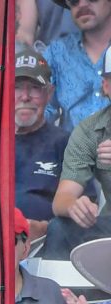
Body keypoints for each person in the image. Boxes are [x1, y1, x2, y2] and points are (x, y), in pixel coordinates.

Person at [49, 50, 111, 255]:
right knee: (59, 228)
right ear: (106, 86)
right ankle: (60, 288)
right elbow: (61, 199)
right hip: (108, 227)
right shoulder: (90, 130)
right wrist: (75, 206)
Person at [10, 53, 70, 240]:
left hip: (45, 249)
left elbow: (83, 209)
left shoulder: (66, 143)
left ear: (49, 93)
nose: (25, 97)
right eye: (17, 88)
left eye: (35, 88)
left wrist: (46, 229)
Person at [44, 0, 111, 129]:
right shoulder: (57, 52)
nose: (82, 4)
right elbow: (42, 110)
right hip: (70, 147)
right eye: (74, 1)